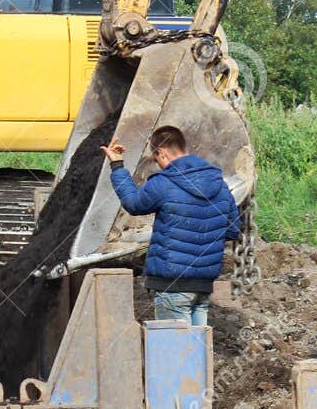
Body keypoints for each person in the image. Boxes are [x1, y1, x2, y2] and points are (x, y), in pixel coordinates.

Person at [100, 124, 240, 326]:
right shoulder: (219, 184)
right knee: (196, 350)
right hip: (203, 286)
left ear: (161, 153)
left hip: (172, 284)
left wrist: (117, 166)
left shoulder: (164, 182)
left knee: (175, 351)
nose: (158, 165)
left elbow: (133, 203)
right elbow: (232, 229)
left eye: (156, 159)